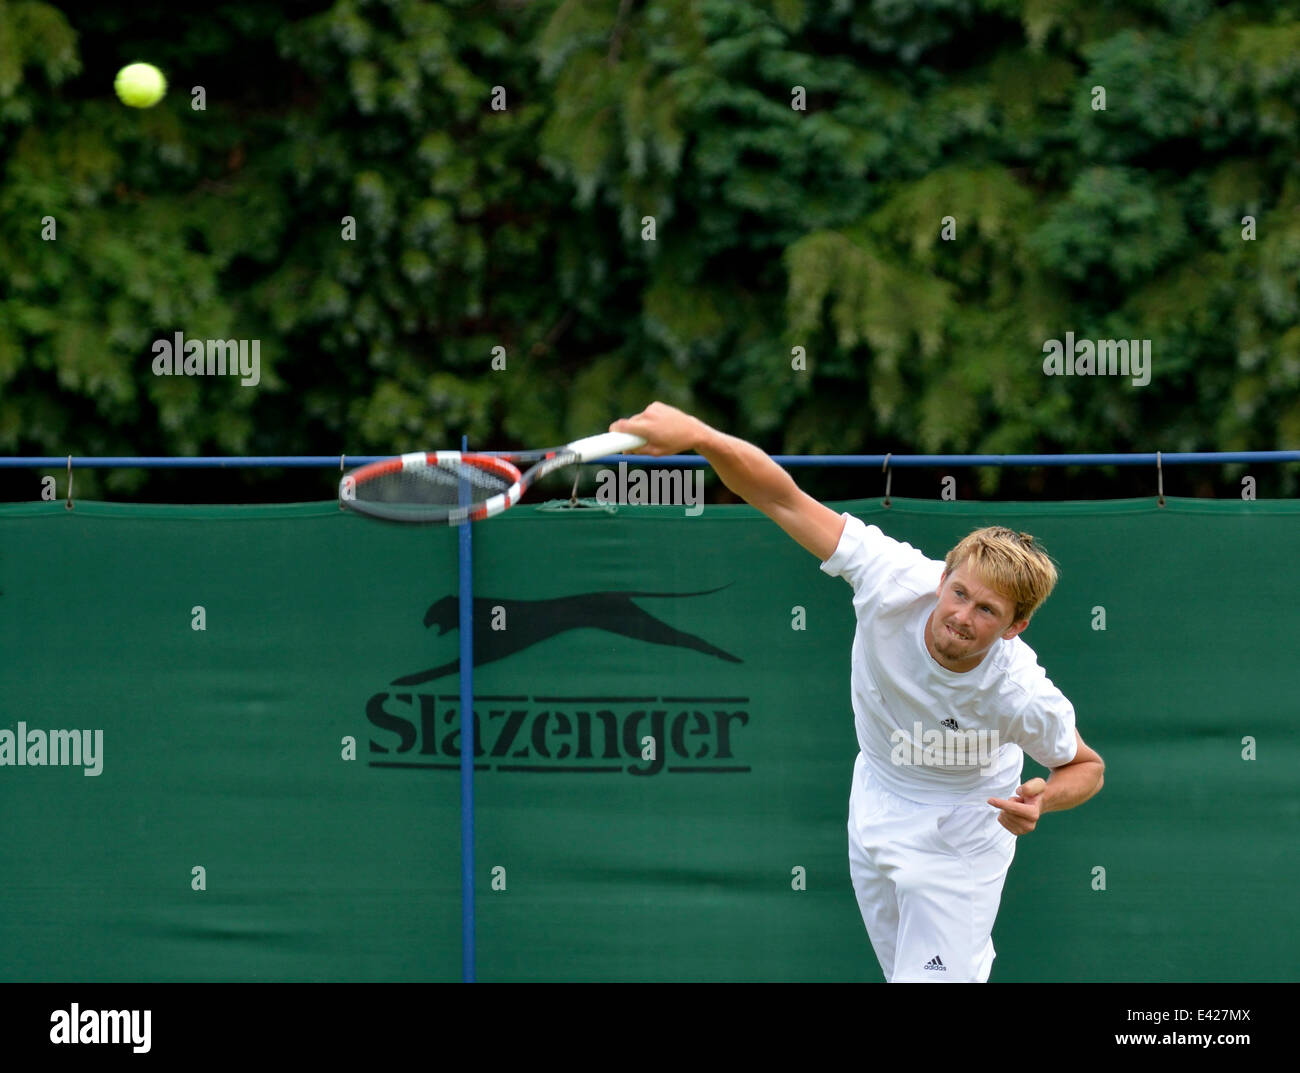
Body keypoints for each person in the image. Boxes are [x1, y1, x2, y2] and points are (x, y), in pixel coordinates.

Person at [609, 401, 1105, 983]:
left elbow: (1086, 766)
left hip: (963, 834)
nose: (962, 616)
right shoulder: (889, 576)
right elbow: (778, 496)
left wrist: (1043, 799)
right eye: (959, 592)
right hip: (873, 799)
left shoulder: (1019, 690)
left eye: (987, 610)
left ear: (1015, 626)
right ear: (943, 578)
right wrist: (700, 435)